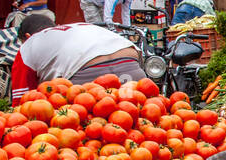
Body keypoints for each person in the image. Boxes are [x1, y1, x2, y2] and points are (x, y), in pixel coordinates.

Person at [10, 14, 142, 100]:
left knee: (87, 133)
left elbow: (23, 100)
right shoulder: (79, 27)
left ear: (27, 36)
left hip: (87, 75)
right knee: (141, 120)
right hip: (131, 64)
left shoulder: (29, 44)